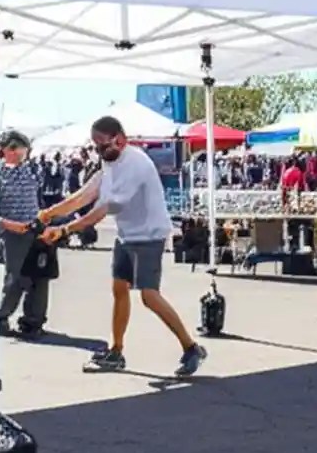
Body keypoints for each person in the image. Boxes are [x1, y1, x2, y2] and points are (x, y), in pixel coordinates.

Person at [40, 116, 208, 377]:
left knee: (149, 296)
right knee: (119, 289)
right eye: (95, 146)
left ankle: (191, 348)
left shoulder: (136, 164)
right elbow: (87, 193)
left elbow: (107, 208)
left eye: (102, 145)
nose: (99, 151)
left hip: (149, 234)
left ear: (120, 139)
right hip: (127, 234)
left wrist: (64, 229)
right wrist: (49, 213)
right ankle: (116, 351)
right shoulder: (110, 163)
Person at [0, 130, 53, 338]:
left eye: (22, 148)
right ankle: (1, 316)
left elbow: (39, 199)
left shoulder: (31, 170)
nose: (20, 152)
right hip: (14, 233)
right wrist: (7, 225)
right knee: (15, 277)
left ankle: (33, 320)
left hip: (36, 229)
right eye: (15, 148)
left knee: (40, 277)